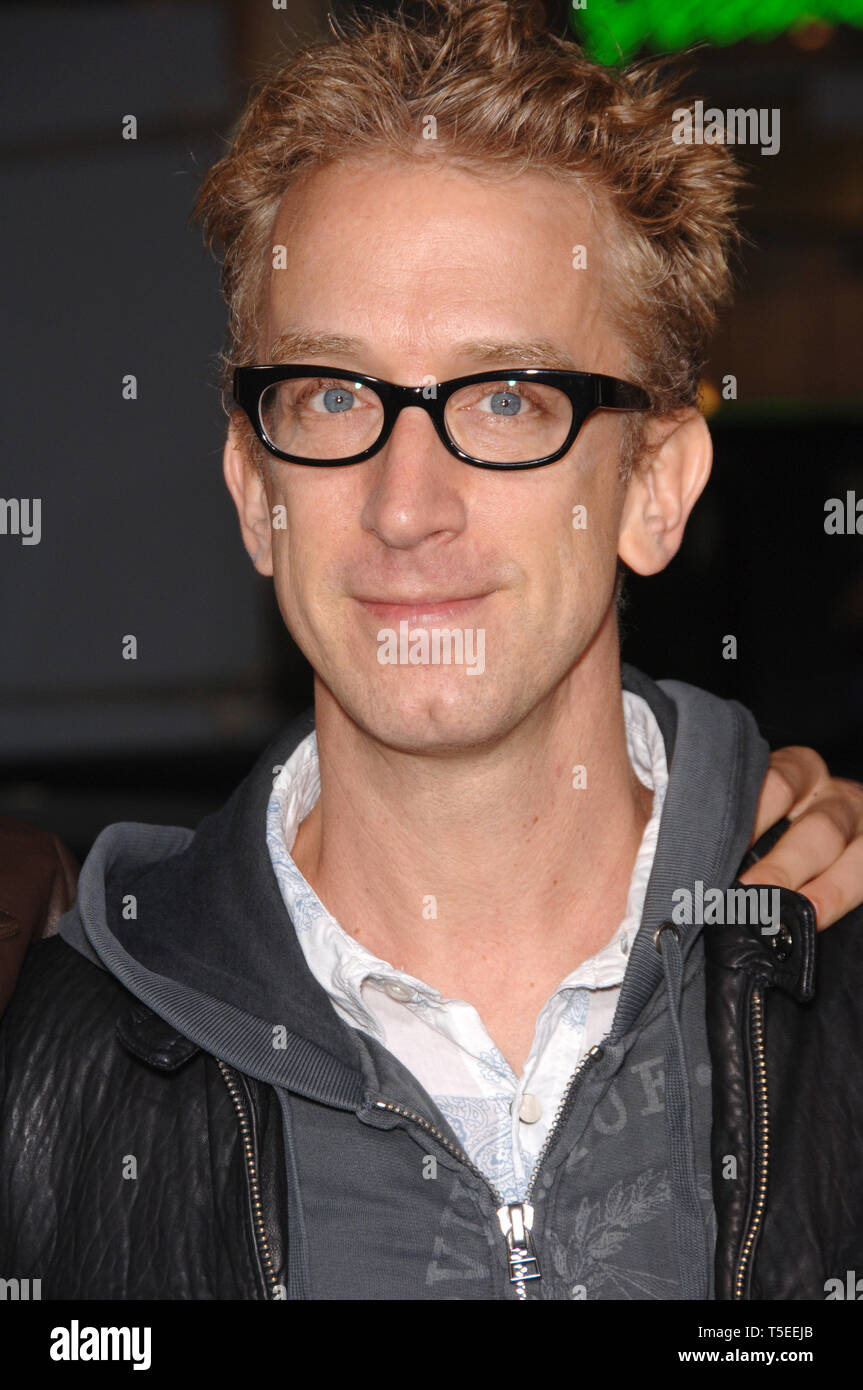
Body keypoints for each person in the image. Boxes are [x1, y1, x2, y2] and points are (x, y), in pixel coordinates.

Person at [2, 0, 862, 1301]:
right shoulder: (52, 1066)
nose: (408, 504)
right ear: (253, 491)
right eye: (333, 394)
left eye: (510, 398)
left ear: (656, 488)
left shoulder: (830, 980)